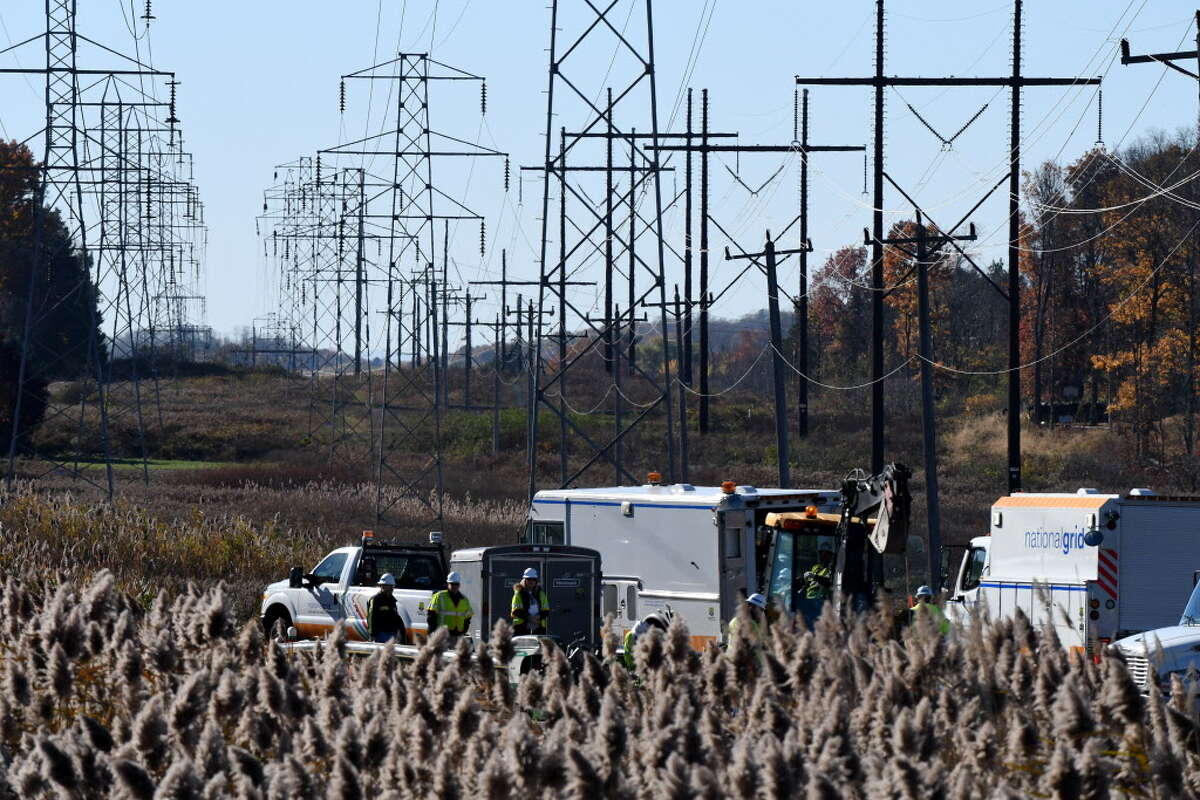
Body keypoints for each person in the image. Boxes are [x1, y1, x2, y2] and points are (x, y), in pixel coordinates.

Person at [800, 541, 835, 628]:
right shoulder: (816, 568)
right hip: (807, 600)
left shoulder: (832, 569)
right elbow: (808, 583)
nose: (823, 556)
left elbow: (829, 583)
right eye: (821, 553)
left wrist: (814, 576)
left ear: (830, 556)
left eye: (826, 554)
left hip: (820, 602)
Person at [428, 571, 473, 639]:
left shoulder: (464, 600)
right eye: (452, 584)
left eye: (456, 584)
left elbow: (468, 618)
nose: (454, 586)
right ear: (448, 584)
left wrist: (463, 631)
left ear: (459, 585)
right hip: (442, 636)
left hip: (457, 636)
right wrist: (432, 632)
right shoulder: (439, 596)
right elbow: (431, 616)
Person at [511, 567, 550, 635]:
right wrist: (529, 618)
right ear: (524, 580)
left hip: (539, 627)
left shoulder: (541, 594)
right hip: (521, 628)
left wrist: (538, 617)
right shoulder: (518, 594)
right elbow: (516, 611)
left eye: (534, 579)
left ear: (536, 581)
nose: (531, 581)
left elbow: (546, 610)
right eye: (529, 579)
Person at [368, 573, 403, 643]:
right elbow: (371, 618)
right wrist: (372, 635)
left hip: (392, 634)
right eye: (390, 586)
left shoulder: (392, 600)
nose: (392, 588)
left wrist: (399, 631)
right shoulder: (375, 600)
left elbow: (396, 617)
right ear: (382, 586)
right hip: (380, 634)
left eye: (392, 586)